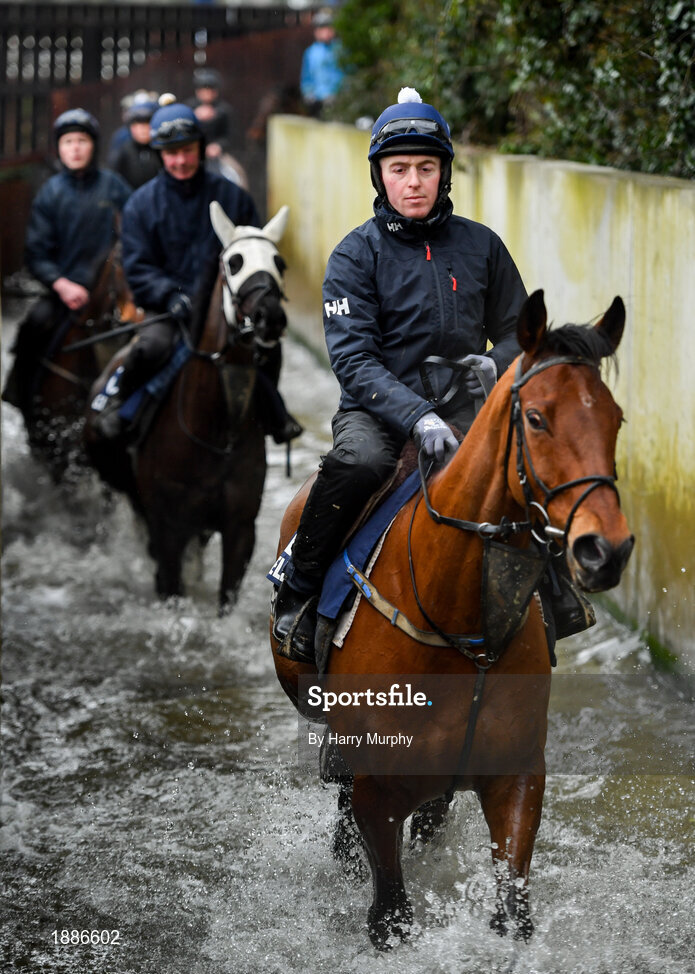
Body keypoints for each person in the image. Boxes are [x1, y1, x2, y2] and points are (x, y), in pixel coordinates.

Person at [273, 87, 528, 662]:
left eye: (426, 168)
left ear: (443, 174)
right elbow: (354, 361)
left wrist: (494, 361)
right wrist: (418, 417)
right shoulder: (353, 257)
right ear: (379, 177)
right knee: (357, 463)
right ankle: (300, 592)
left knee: (531, 467)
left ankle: (557, 600)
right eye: (400, 169)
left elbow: (520, 334)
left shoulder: (482, 246)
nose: (414, 180)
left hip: (469, 407)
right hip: (379, 414)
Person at [94, 100, 301, 444]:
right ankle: (120, 405)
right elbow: (138, 267)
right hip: (171, 308)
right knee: (151, 346)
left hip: (227, 310)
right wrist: (168, 296)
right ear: (160, 154)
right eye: (171, 153)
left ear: (200, 149)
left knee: (267, 345)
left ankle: (269, 415)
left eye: (187, 151)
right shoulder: (140, 206)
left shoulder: (234, 199)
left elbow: (256, 254)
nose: (180, 161)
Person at [2, 108, 131, 419]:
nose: (75, 148)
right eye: (68, 141)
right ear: (59, 148)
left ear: (93, 146)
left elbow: (135, 235)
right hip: (64, 294)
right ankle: (23, 399)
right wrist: (61, 285)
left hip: (109, 295)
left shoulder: (114, 187)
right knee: (33, 326)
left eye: (82, 141)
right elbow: (36, 253)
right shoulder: (50, 193)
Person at [187, 67, 246, 185]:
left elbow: (232, 136)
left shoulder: (225, 110)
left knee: (237, 176)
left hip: (218, 155)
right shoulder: (189, 108)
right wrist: (194, 117)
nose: (206, 94)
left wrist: (219, 146)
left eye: (210, 90)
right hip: (193, 152)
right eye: (203, 90)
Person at [299, 9, 344, 117]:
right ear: (316, 31)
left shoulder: (341, 50)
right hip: (318, 102)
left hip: (339, 100)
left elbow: (348, 73)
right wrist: (309, 94)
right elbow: (307, 77)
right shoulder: (310, 52)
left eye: (329, 28)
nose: (326, 32)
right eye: (322, 28)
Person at [111, 97, 161, 189]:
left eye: (146, 124)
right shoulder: (124, 150)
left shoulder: (161, 149)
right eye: (137, 125)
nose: (142, 130)